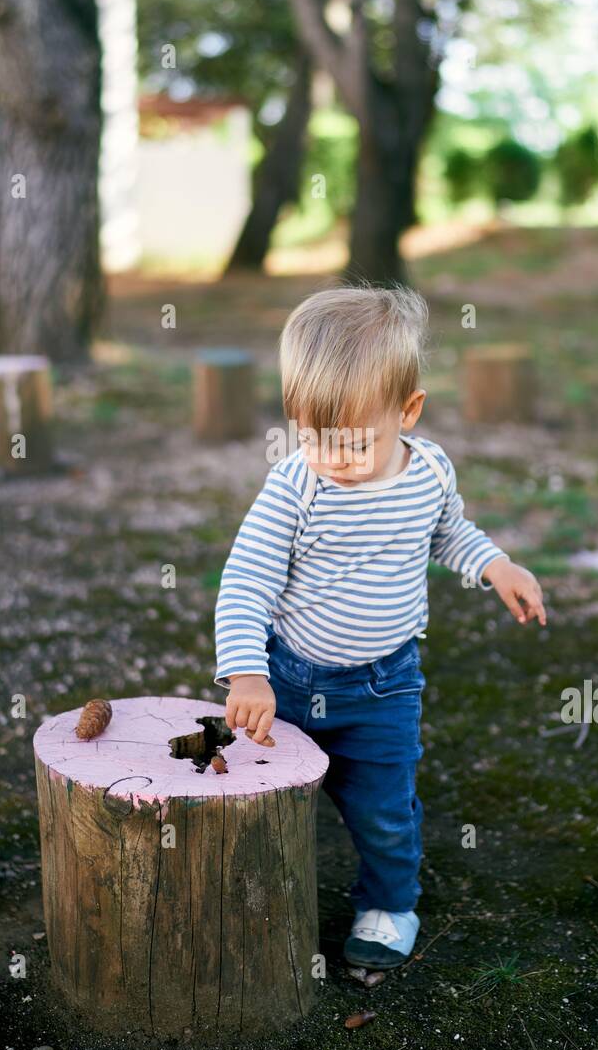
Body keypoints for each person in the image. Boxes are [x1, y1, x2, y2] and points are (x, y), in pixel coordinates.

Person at [213, 284, 546, 969]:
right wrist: (247, 672)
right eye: (313, 437)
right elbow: (246, 580)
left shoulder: (429, 473)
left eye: (355, 442)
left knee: (384, 809)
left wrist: (495, 564)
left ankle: (389, 905)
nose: (333, 458)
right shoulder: (295, 487)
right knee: (247, 789)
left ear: (409, 411)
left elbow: (448, 533)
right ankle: (239, 897)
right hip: (289, 678)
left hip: (384, 686)